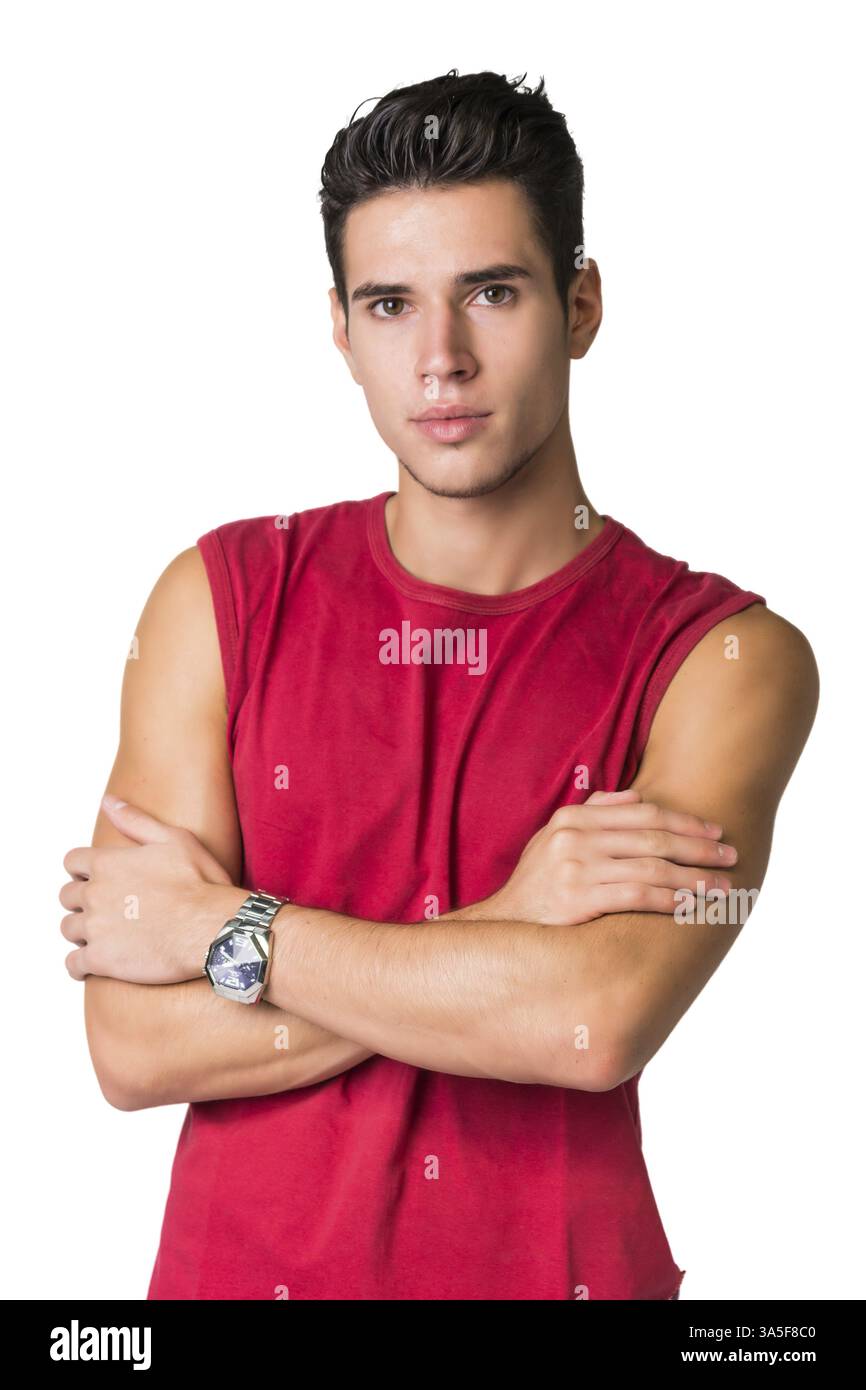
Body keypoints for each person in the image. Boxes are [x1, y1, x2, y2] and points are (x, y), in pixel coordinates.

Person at [63, 69, 819, 1301]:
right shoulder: (216, 599)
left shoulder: (724, 658)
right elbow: (133, 1044)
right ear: (340, 330)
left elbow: (594, 1018)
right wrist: (508, 919)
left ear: (580, 305)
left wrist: (221, 932)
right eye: (390, 304)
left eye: (492, 292)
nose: (441, 359)